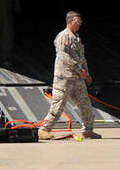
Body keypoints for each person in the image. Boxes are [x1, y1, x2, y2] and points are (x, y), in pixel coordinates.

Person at [38, 11, 100, 141]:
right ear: (70, 22)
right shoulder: (63, 37)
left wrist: (86, 74)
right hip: (64, 78)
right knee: (58, 104)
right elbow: (64, 57)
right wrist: (79, 70)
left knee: (85, 105)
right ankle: (44, 130)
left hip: (77, 79)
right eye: (77, 22)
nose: (79, 25)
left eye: (80, 23)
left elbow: (82, 58)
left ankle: (88, 130)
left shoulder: (76, 38)